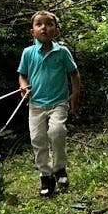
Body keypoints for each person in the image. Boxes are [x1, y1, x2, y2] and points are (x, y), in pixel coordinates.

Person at [17, 10, 81, 196]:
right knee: (38, 140)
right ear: (32, 31)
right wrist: (23, 88)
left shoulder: (62, 52)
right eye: (39, 24)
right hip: (36, 104)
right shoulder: (28, 53)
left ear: (56, 30)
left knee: (57, 132)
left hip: (58, 102)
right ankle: (46, 176)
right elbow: (22, 75)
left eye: (49, 24)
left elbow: (74, 74)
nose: (44, 27)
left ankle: (60, 168)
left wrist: (74, 95)